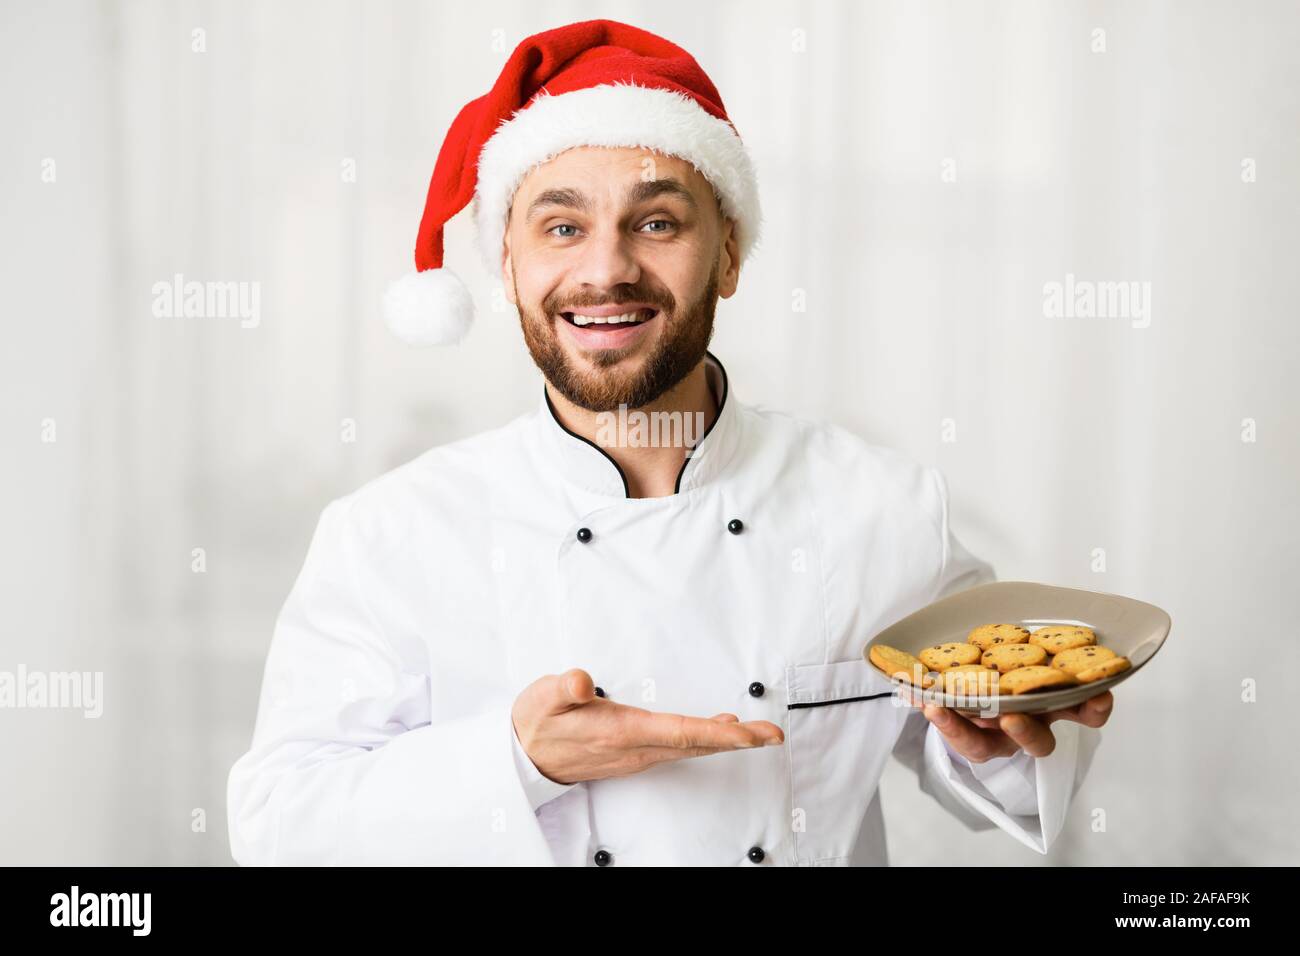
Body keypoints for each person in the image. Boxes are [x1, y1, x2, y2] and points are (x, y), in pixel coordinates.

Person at [227, 18, 1110, 866]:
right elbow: (278, 827)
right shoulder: (391, 533)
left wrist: (997, 746)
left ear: (729, 254)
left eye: (657, 223)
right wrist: (518, 760)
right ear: (507, 266)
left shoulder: (883, 506)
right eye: (561, 226)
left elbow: (997, 771)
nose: (606, 268)